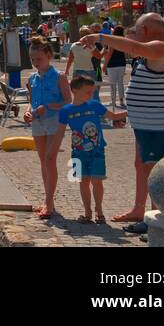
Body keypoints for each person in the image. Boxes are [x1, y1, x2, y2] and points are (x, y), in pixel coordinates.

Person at [79, 13, 164, 232]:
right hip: (146, 123)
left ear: (145, 30)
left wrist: (100, 36)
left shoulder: (162, 47)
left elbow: (134, 48)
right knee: (141, 166)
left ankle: (156, 222)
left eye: (135, 31)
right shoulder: (155, 49)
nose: (134, 36)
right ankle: (139, 210)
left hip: (160, 125)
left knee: (155, 170)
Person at [56, 75, 128, 223]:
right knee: (83, 181)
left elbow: (113, 116)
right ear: (75, 90)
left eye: (92, 92)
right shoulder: (66, 110)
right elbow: (60, 132)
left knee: (97, 180)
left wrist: (132, 111)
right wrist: (53, 149)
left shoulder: (95, 105)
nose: (91, 95)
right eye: (88, 92)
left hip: (97, 149)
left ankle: (99, 210)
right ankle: (87, 211)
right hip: (78, 151)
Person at [22, 36, 71, 220]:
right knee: (43, 161)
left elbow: (68, 101)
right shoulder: (32, 78)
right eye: (33, 59)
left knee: (50, 159)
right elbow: (31, 102)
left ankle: (48, 202)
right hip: (37, 121)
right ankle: (48, 200)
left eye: (39, 59)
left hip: (55, 121)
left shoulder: (59, 77)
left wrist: (49, 107)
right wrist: (27, 112)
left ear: (49, 56)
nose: (35, 63)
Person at [105, 25, 128, 108]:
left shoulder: (112, 40)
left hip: (112, 64)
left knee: (112, 84)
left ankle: (113, 101)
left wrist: (105, 64)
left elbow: (110, 53)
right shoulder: (124, 40)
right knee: (120, 83)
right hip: (122, 63)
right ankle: (122, 100)